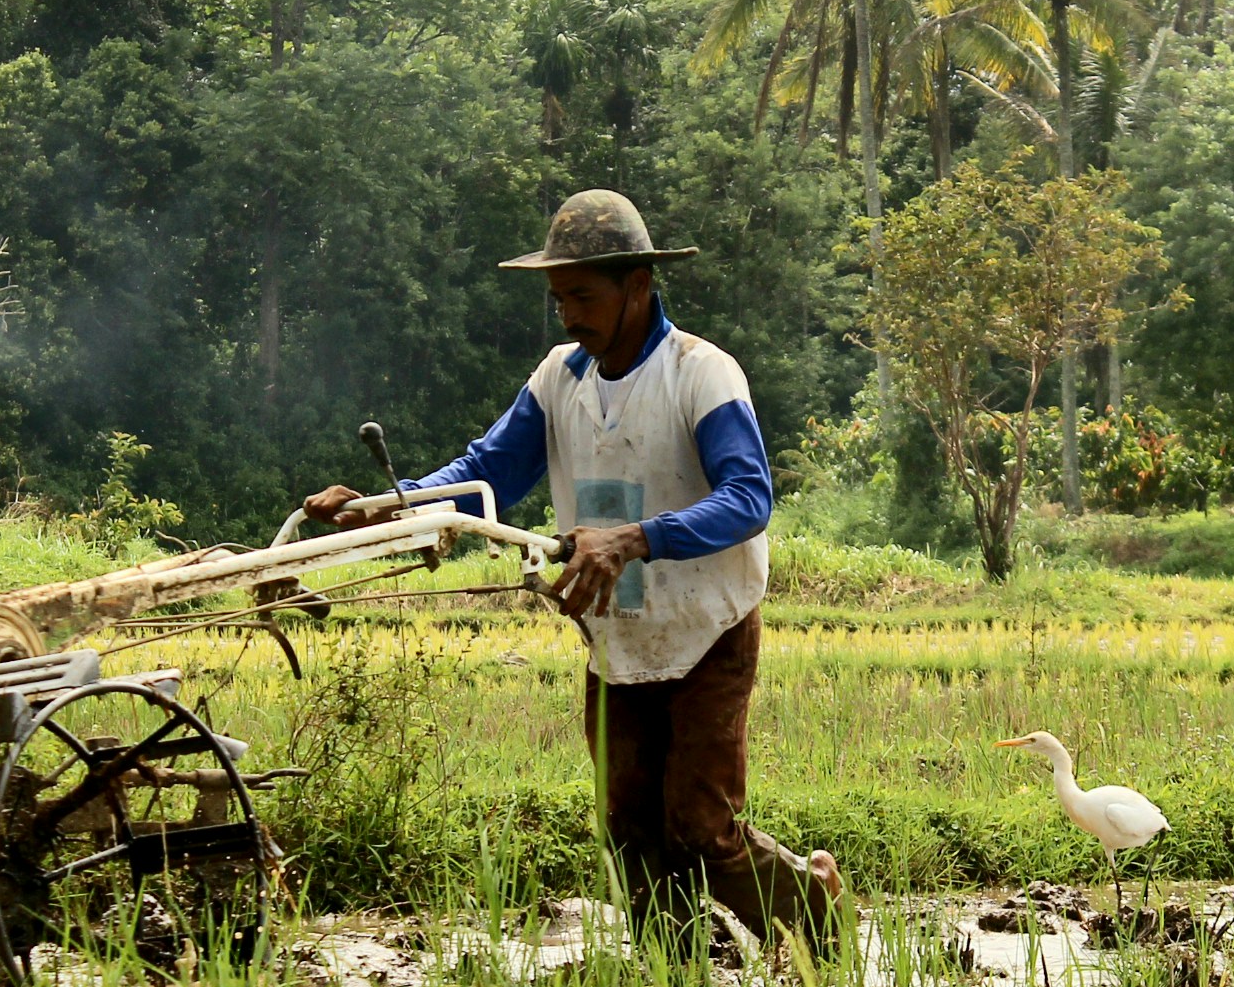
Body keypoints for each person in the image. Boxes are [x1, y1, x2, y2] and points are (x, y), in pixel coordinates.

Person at [305, 189, 843, 946]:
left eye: (583, 296)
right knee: (629, 830)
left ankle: (822, 916)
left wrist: (632, 539)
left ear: (639, 287)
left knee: (698, 824)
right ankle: (675, 983)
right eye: (558, 298)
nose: (568, 314)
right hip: (617, 633)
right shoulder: (560, 378)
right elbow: (489, 468)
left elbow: (749, 498)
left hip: (707, 628)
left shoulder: (701, 374)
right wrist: (393, 503)